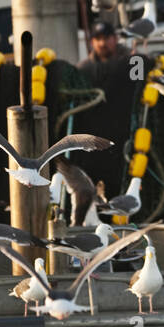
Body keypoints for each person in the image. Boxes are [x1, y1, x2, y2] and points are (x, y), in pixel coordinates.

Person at [67, 21, 150, 199]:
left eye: (106, 38)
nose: (102, 43)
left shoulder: (131, 64)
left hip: (125, 140)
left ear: (115, 39)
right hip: (94, 145)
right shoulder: (84, 70)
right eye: (98, 39)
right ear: (92, 42)